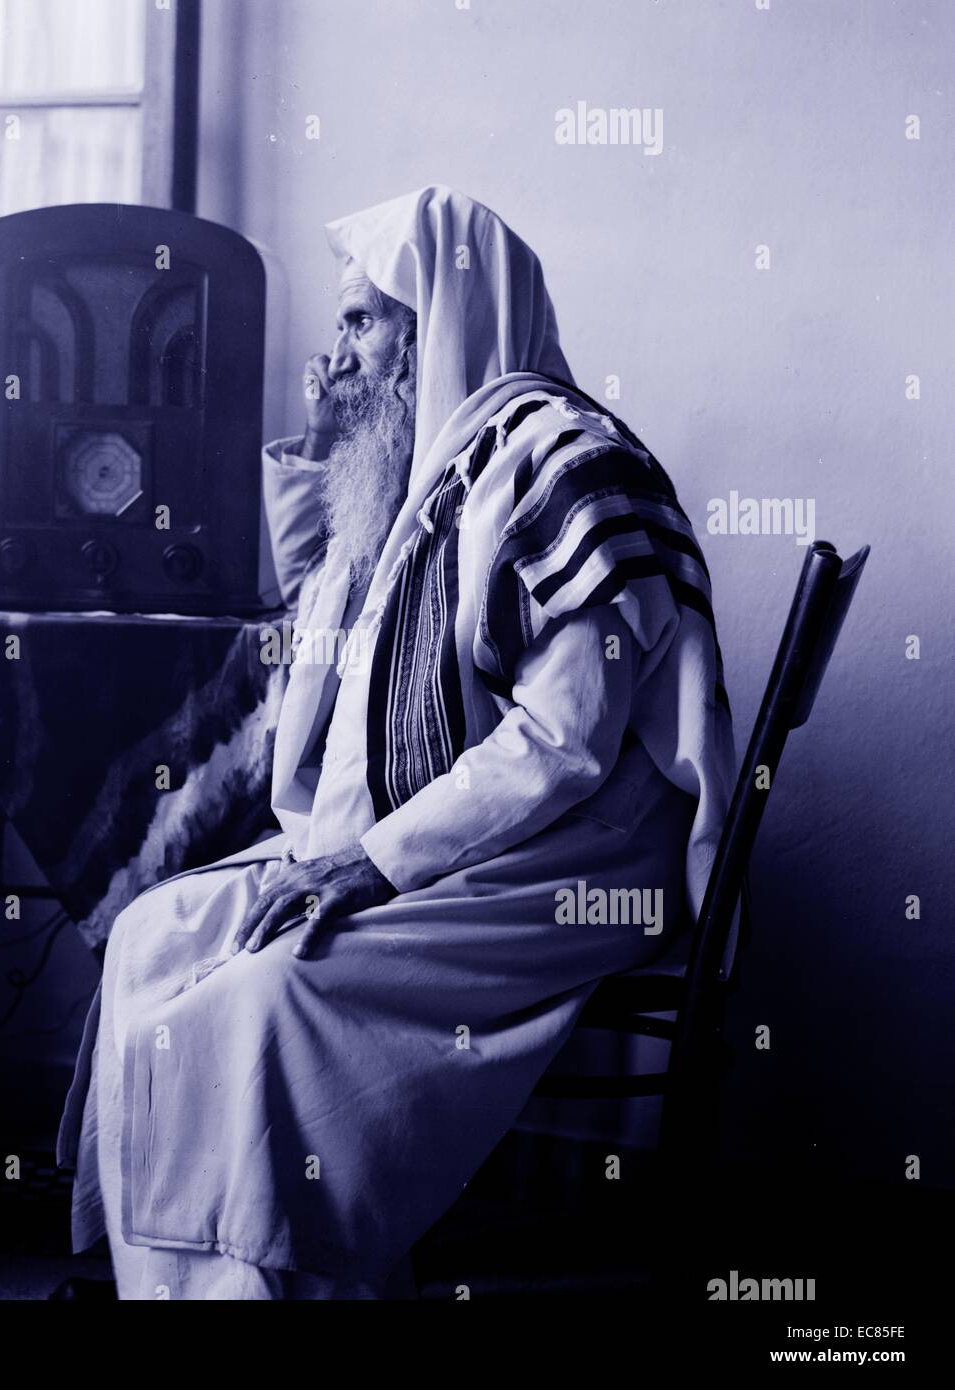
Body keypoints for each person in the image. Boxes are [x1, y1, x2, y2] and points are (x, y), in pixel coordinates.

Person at [55, 185, 736, 1299]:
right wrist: (323, 444)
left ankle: (278, 1283)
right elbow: (313, 626)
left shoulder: (561, 458)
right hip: (433, 831)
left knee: (260, 996)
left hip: (569, 854)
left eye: (365, 323)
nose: (341, 353)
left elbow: (562, 745)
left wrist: (367, 865)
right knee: (148, 933)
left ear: (440, 324)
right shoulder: (433, 470)